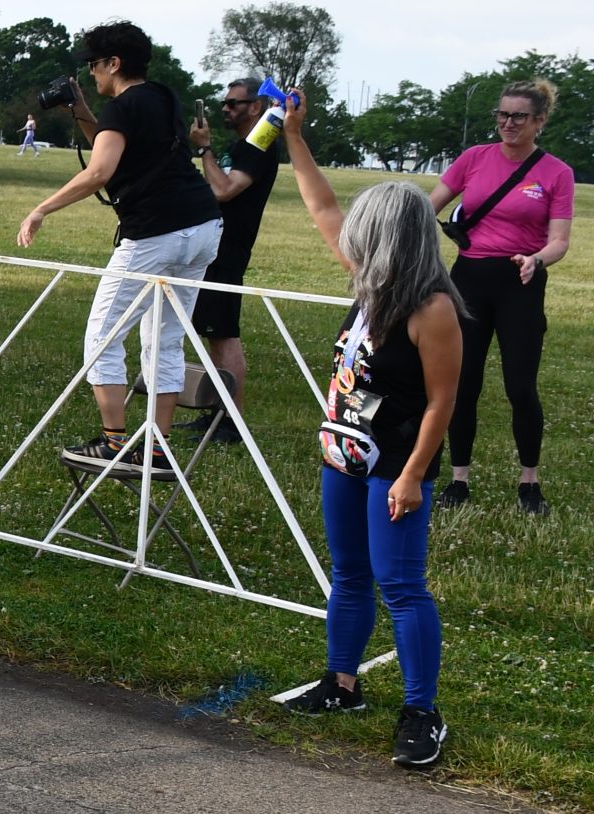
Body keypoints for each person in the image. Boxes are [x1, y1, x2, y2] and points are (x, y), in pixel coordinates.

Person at [276, 97, 457, 770]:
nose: (348, 234)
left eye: (364, 228)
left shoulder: (431, 306)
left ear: (389, 236)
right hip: (345, 448)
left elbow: (444, 400)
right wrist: (295, 137)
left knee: (402, 583)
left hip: (395, 462)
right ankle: (342, 682)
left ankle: (421, 711)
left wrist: (412, 474)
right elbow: (323, 207)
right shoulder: (369, 283)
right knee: (349, 574)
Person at [16, 22, 223, 471]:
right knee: (165, 340)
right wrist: (85, 110)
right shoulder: (165, 97)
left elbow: (100, 171)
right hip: (204, 225)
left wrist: (41, 209)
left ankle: (114, 441)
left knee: (102, 335)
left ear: (115, 63)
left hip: (155, 232)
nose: (91, 72)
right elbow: (117, 146)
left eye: (95, 64)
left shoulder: (123, 107)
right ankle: (157, 448)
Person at [429, 78, 571, 514]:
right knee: (461, 383)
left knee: (521, 386)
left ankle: (529, 482)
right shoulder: (474, 159)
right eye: (502, 115)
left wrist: (537, 260)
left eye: (518, 117)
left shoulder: (556, 172)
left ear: (540, 121)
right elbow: (427, 207)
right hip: (469, 278)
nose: (507, 123)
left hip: (521, 280)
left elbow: (559, 240)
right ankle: (459, 479)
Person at [186, 79, 283, 428]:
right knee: (214, 332)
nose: (226, 108)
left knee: (225, 333)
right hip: (213, 245)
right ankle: (217, 411)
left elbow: (225, 190)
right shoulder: (240, 146)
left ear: (256, 107)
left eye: (234, 103)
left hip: (229, 250)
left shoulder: (258, 147)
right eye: (225, 102)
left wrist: (204, 150)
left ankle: (232, 420)